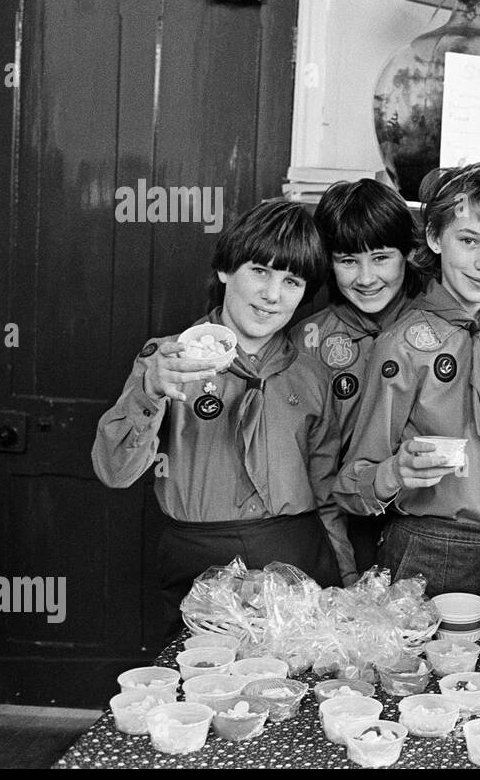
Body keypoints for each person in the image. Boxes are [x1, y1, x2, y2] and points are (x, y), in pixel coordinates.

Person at [92, 200, 345, 630]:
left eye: (292, 281)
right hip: (199, 560)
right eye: (259, 271)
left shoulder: (312, 372)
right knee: (204, 685)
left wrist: (345, 577)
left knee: (287, 690)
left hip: (297, 556)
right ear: (226, 269)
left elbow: (326, 490)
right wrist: (149, 393)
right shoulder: (168, 357)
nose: (271, 295)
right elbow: (114, 472)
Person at [333, 163, 480, 598]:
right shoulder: (403, 345)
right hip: (424, 548)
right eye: (468, 241)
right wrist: (396, 470)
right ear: (435, 238)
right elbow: (351, 486)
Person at [291, 178, 422, 582]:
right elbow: (314, 475)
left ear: (410, 253)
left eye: (381, 258)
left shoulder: (440, 325)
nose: (365, 278)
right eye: (348, 261)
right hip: (340, 528)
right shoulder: (307, 343)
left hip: (428, 525)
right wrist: (343, 567)